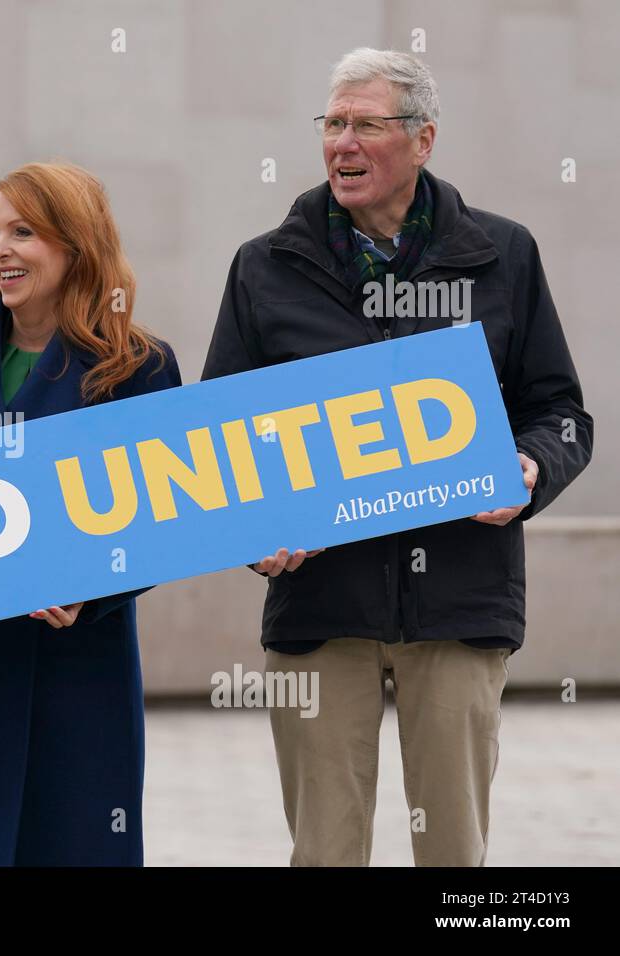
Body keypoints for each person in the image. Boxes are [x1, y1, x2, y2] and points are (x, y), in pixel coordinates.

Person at [203, 49, 592, 866]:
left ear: (422, 141)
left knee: (453, 855)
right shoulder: (264, 267)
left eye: (366, 124)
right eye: (333, 123)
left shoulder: (503, 256)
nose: (342, 142)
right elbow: (220, 439)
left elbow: (561, 414)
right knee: (324, 852)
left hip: (459, 600)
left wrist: (529, 467)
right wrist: (255, 527)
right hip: (317, 607)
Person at [0, 162, 182, 866]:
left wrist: (95, 591)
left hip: (76, 668)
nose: (0, 249)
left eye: (23, 231)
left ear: (76, 244)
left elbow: (171, 520)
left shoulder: (139, 364)